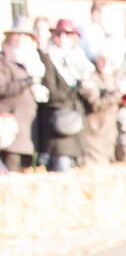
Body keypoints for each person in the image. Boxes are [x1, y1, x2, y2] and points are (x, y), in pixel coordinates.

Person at [40, 20, 97, 172]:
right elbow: (51, 93)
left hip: (78, 124)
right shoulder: (48, 58)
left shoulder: (81, 61)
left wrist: (88, 89)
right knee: (61, 167)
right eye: (59, 34)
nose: (63, 38)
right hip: (58, 125)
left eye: (68, 34)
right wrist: (78, 89)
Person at [0, 17, 44, 171]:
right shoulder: (3, 60)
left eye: (25, 36)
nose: (21, 39)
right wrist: (26, 82)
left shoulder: (32, 61)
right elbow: (2, 87)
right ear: (11, 36)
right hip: (10, 133)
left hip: (28, 133)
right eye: (17, 35)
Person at [83, 52, 122, 165]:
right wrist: (116, 95)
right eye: (103, 60)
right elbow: (95, 104)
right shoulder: (91, 78)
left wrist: (124, 98)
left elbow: (116, 105)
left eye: (110, 62)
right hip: (94, 133)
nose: (106, 64)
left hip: (109, 134)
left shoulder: (114, 79)